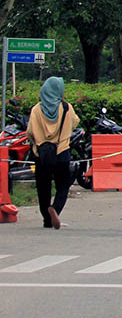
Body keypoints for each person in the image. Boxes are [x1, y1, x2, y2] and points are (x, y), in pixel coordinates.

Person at [28, 77, 79, 229]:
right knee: (63, 185)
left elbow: (30, 132)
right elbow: (75, 122)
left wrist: (37, 142)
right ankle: (55, 209)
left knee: (43, 187)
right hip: (62, 152)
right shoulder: (66, 107)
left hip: (42, 155)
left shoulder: (37, 109)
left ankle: (46, 220)